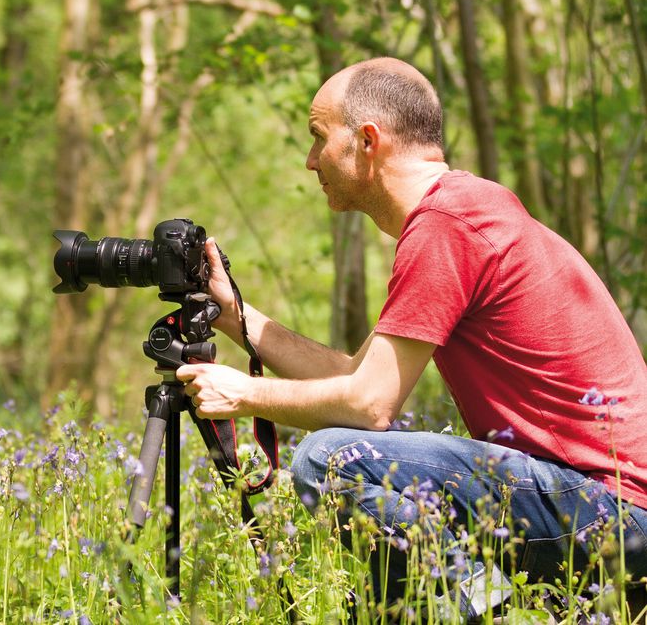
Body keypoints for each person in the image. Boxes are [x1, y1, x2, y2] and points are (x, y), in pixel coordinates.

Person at [176, 57, 647, 617]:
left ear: (367, 141)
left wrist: (242, 394)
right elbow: (359, 376)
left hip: (614, 510)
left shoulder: (447, 225)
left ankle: (483, 608)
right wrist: (237, 318)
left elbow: (369, 408)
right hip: (602, 504)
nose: (309, 161)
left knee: (331, 458)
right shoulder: (463, 210)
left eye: (317, 138)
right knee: (362, 478)